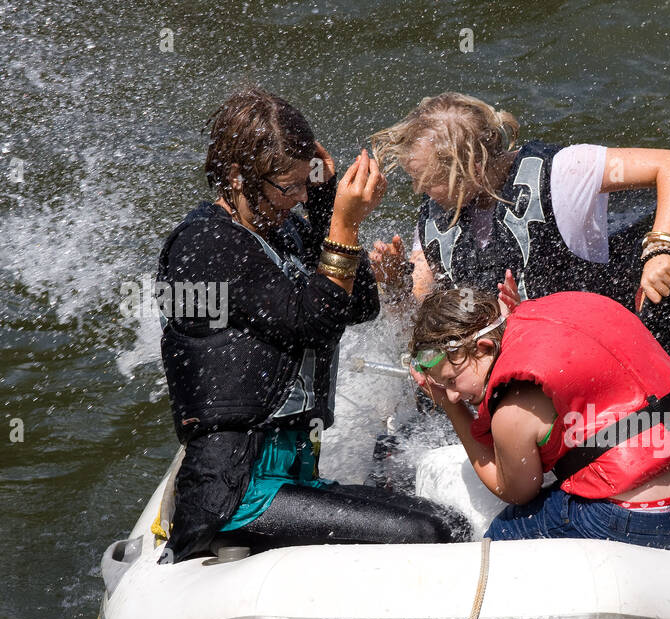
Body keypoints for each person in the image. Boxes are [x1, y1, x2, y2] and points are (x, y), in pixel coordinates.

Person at [157, 87, 468, 562]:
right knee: (429, 534)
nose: (298, 196)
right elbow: (313, 323)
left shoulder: (282, 230)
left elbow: (359, 304)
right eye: (289, 187)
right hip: (236, 489)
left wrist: (326, 206)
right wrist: (344, 225)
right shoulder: (207, 245)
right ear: (239, 178)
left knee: (449, 524)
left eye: (308, 182)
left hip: (293, 476)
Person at [408, 287, 670, 552]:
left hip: (648, 520)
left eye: (451, 381)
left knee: (506, 531)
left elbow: (513, 490)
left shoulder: (512, 413)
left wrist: (452, 412)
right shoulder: (572, 306)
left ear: (482, 347)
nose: (452, 394)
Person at [368, 92, 670, 310]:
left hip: (602, 337)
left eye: (428, 180)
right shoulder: (439, 213)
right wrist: (396, 284)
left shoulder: (563, 172)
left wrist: (659, 250)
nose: (418, 190)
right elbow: (424, 317)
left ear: (474, 167)